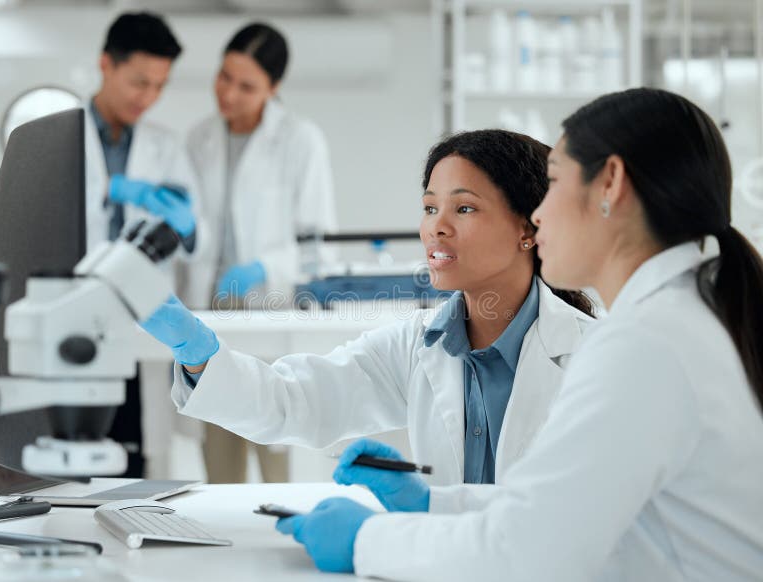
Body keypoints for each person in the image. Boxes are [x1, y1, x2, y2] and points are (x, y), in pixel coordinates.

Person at [273, 88, 763, 580]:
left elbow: (527, 552)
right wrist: (434, 505)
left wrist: (365, 540)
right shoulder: (682, 319)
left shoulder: (644, 345)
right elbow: (564, 512)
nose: (540, 213)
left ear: (610, 182)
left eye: (552, 184)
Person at [141, 129, 595, 491]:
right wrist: (199, 352)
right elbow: (296, 401)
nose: (436, 226)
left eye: (464, 208)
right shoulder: (417, 346)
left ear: (528, 229)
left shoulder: (594, 357)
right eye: (430, 207)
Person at [179, 22, 337, 483]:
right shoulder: (199, 139)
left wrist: (264, 267)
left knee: (275, 449)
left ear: (274, 88)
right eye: (224, 77)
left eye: (246, 86)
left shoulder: (300, 140)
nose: (228, 93)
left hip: (270, 306)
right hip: (210, 311)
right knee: (220, 457)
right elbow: (196, 232)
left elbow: (317, 244)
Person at [86, 12, 204, 477]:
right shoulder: (61, 134)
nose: (149, 98)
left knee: (133, 459)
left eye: (160, 86)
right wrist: (109, 190)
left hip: (139, 319)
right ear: (105, 65)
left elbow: (196, 235)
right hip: (79, 310)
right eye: (139, 82)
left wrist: (187, 226)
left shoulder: (165, 146)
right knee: (69, 460)